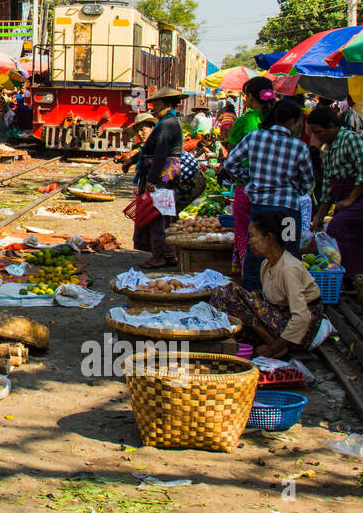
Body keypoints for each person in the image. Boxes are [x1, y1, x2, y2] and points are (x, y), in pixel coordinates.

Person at [220, 98, 315, 290]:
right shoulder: (299, 147)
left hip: (261, 211)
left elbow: (230, 164)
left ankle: (252, 303)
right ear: (292, 122)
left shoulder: (254, 138)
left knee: (256, 257)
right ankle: (285, 301)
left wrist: (250, 177)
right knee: (288, 257)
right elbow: (307, 182)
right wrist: (292, 187)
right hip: (288, 212)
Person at [209, 210, 328, 358]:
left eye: (253, 236)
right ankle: (271, 342)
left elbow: (302, 317)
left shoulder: (289, 268)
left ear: (269, 237)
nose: (249, 241)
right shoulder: (266, 264)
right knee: (223, 297)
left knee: (226, 293)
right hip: (280, 319)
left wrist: (273, 348)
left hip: (301, 330)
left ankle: (277, 347)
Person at [308, 105, 363, 279]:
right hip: (350, 199)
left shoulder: (350, 139)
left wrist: (351, 199)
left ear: (332, 125)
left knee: (339, 226)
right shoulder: (328, 150)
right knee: (335, 229)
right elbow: (328, 188)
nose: (317, 137)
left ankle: (352, 275)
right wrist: (319, 216)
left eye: (319, 132)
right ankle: (350, 277)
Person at [135, 88, 207, 269]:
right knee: (165, 215)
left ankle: (158, 256)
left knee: (156, 216)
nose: (154, 107)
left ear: (168, 104)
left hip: (163, 175)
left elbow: (160, 153)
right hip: (167, 174)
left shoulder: (168, 124)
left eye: (157, 104)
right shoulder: (170, 121)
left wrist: (152, 179)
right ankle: (169, 254)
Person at [227, 76, 277, 275]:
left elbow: (232, 154)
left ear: (249, 96)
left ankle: (248, 273)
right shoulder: (276, 120)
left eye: (244, 94)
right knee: (269, 232)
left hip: (246, 187)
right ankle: (270, 273)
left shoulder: (244, 121)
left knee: (245, 231)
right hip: (273, 188)